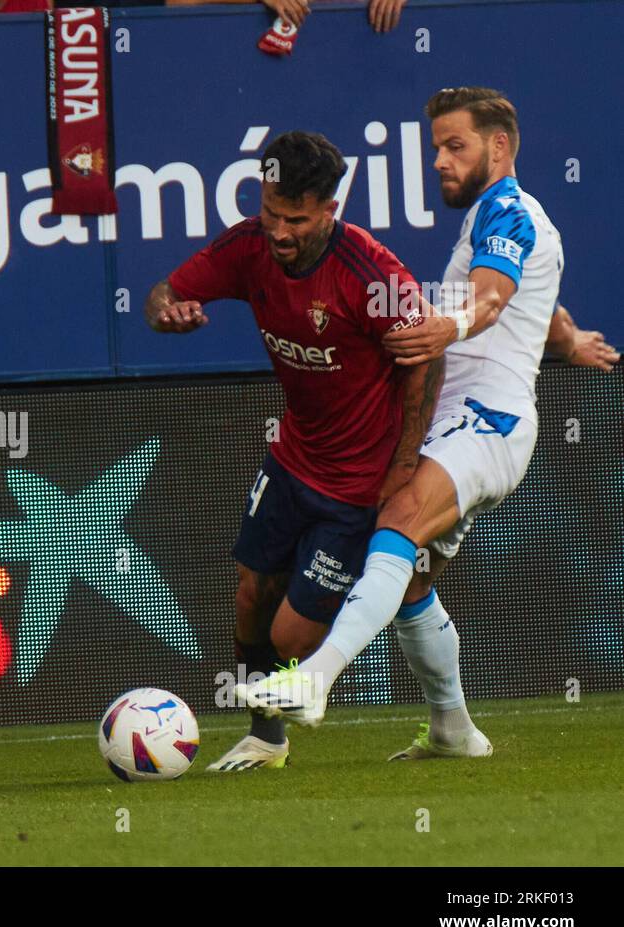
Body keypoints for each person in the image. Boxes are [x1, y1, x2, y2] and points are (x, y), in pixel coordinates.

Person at [237, 88, 619, 759]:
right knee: (410, 579)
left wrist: (452, 323)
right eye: (435, 146)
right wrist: (570, 341)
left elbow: (493, 295)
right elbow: (532, 300)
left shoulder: (507, 209)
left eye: (455, 145)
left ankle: (314, 680)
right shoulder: (505, 220)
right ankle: (453, 730)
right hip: (462, 421)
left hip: (487, 420)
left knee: (399, 517)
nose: (439, 160)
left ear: (499, 147)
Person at [146, 130, 439, 771]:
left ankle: (392, 618)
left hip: (358, 487)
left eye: (297, 220)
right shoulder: (248, 246)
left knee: (288, 636)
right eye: (271, 212)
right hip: (291, 459)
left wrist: (405, 464)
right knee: (250, 596)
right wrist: (168, 311)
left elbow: (426, 357)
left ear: (329, 210)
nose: (279, 230)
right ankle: (265, 738)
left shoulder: (372, 273)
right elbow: (160, 294)